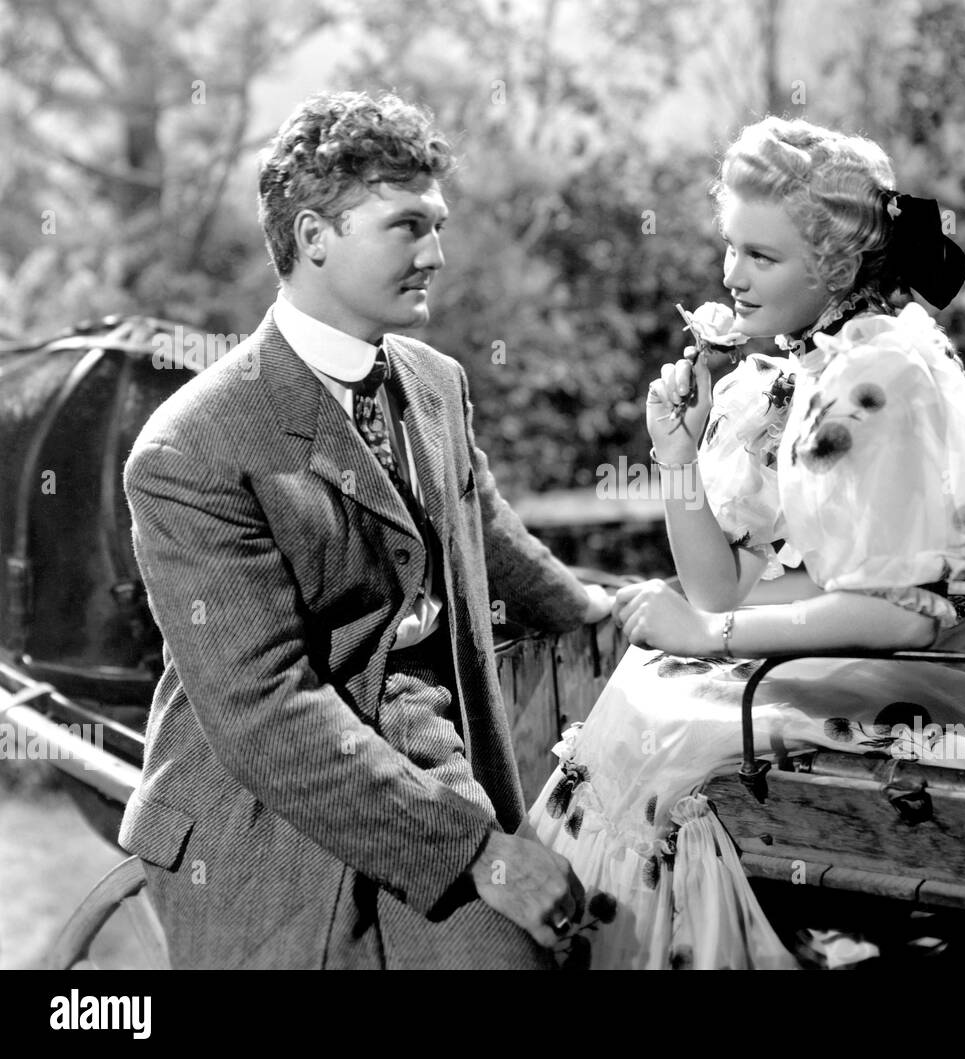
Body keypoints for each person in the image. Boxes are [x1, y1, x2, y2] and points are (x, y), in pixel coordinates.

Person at [526, 116, 965, 969]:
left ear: (832, 264)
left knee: (667, 726)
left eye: (762, 257)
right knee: (648, 691)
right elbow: (720, 588)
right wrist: (675, 459)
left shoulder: (882, 378)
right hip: (920, 646)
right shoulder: (792, 372)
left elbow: (905, 618)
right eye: (731, 248)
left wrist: (709, 636)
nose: (731, 277)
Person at [119, 91, 612, 969]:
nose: (437, 253)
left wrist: (613, 615)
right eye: (408, 226)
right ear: (314, 236)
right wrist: (481, 853)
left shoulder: (435, 381)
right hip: (269, 819)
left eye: (439, 224)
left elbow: (482, 529)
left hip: (437, 774)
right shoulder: (191, 447)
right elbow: (267, 712)